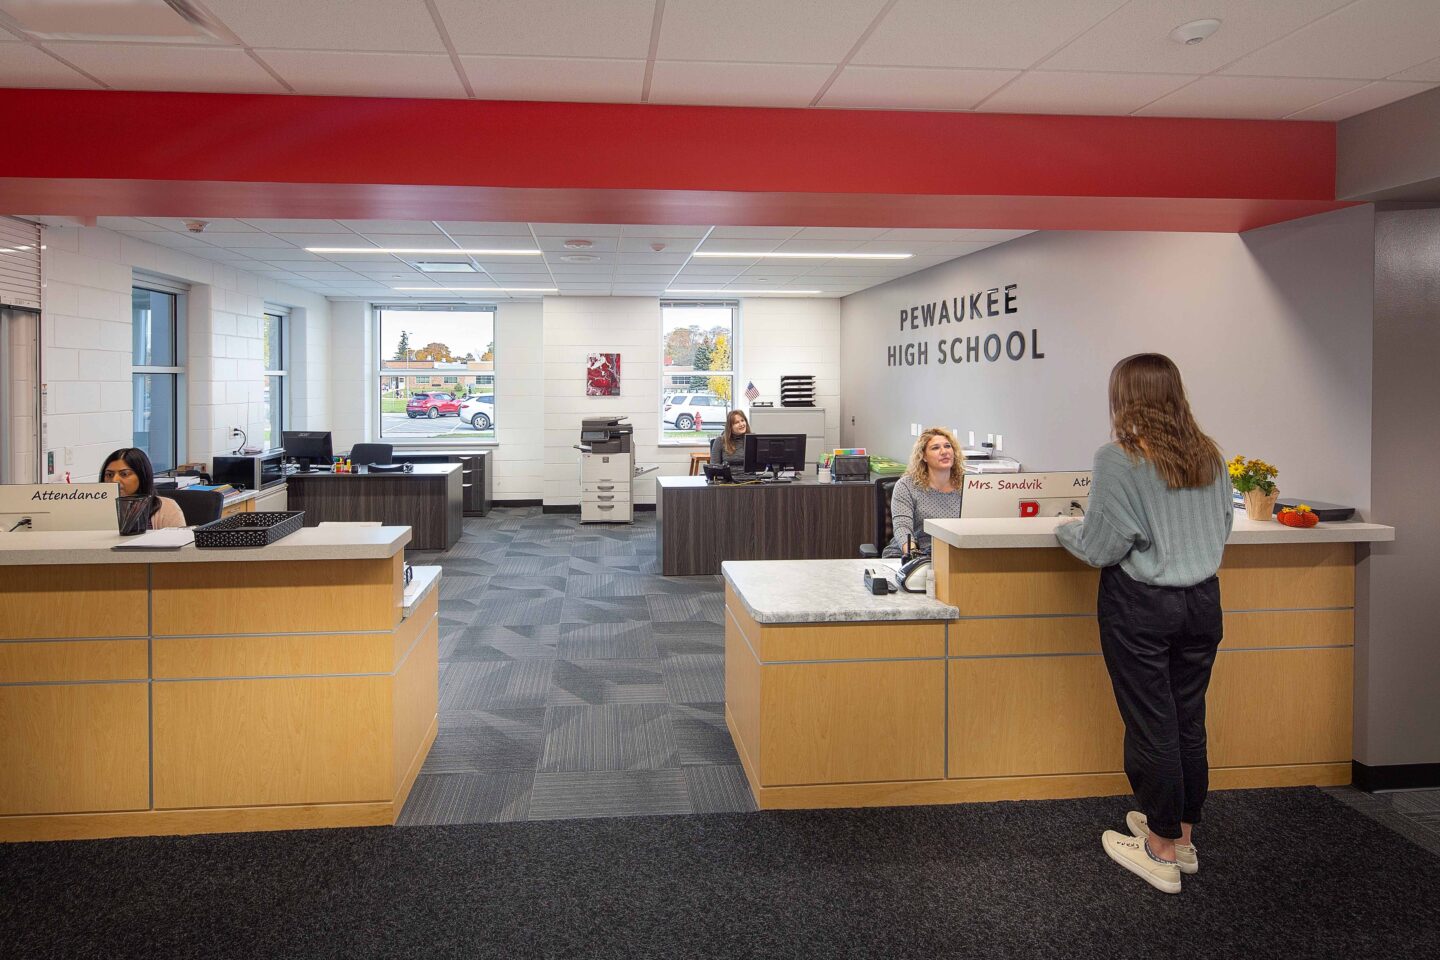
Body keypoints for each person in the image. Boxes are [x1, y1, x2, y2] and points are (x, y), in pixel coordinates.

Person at [1053, 353, 1233, 896]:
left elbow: (1101, 546)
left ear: (1125, 398)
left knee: (1152, 723)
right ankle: (1182, 835)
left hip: (1142, 606)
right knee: (1187, 720)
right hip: (1202, 602)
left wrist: (1066, 529)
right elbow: (1223, 523)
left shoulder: (1118, 458)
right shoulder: (1208, 454)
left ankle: (1159, 849)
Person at [883, 427, 963, 558]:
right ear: (924, 456)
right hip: (915, 552)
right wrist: (913, 553)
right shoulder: (907, 485)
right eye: (935, 448)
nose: (944, 452)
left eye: (947, 446)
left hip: (954, 554)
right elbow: (902, 527)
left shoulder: (967, 485)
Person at [99, 448, 187, 529]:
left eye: (124, 474)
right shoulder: (97, 509)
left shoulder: (167, 509)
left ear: (141, 476)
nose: (114, 480)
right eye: (109, 475)